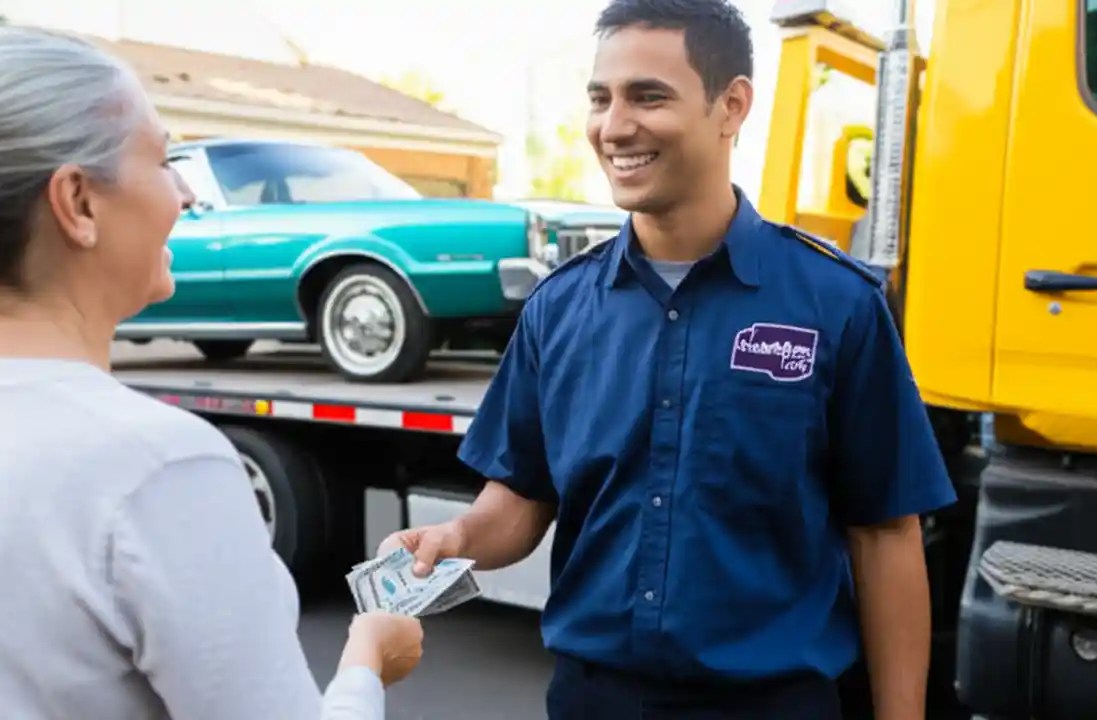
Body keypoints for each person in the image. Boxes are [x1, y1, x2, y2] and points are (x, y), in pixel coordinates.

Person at [0, 22, 422, 720]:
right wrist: (367, 662)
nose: (185, 197)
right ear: (78, 202)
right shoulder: (158, 464)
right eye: (164, 161)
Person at [380, 1, 958, 718]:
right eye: (601, 98)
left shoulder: (835, 304)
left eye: (648, 96)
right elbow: (524, 497)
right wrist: (459, 536)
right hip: (593, 701)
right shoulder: (558, 309)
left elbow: (884, 533)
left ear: (732, 106)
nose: (615, 127)